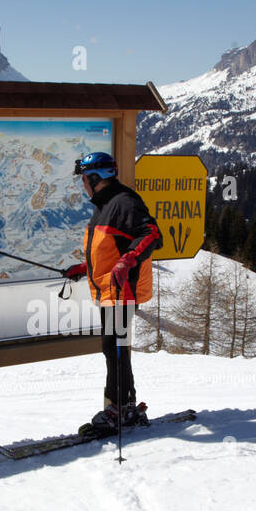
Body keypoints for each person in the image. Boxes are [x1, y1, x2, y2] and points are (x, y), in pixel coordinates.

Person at [62, 152, 162, 431]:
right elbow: (111, 246)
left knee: (114, 346)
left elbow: (152, 234)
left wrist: (127, 260)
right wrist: (85, 268)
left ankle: (119, 410)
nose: (82, 184)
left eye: (84, 178)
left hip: (122, 289)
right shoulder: (104, 205)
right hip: (109, 288)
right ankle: (125, 405)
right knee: (115, 347)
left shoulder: (124, 201)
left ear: (96, 178)